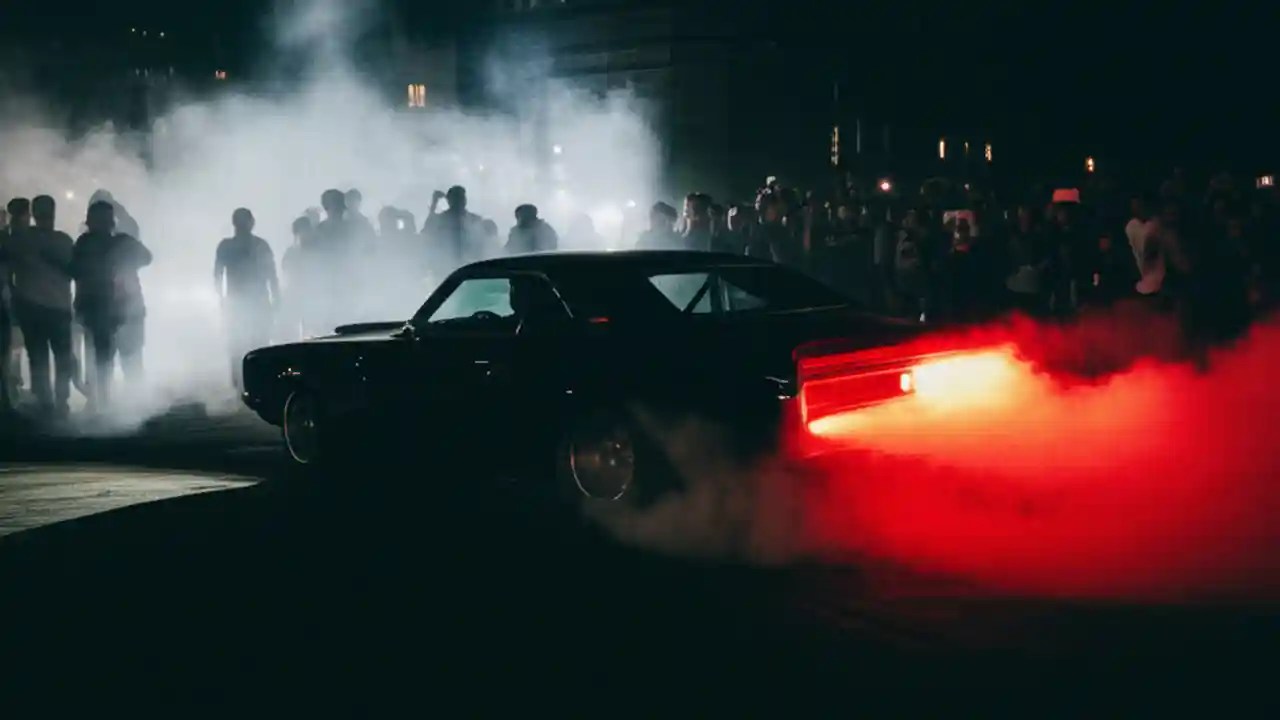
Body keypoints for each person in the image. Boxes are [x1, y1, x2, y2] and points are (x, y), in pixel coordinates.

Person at [71, 201, 152, 410]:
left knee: (111, 359)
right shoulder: (90, 243)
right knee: (114, 359)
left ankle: (118, 404)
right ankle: (113, 404)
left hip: (113, 308)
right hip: (105, 308)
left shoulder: (89, 243)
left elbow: (146, 258)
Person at [7, 195, 75, 416]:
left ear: (33, 214)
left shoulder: (21, 239)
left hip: (32, 308)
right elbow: (75, 271)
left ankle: (45, 403)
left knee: (38, 358)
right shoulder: (64, 240)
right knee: (62, 357)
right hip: (60, 309)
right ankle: (61, 402)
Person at [215, 208, 280, 391]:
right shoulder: (260, 245)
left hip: (244, 301)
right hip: (250, 301)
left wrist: (221, 299)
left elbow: (217, 276)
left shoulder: (228, 246)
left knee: (242, 344)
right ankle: (256, 383)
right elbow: (272, 275)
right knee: (254, 344)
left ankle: (241, 384)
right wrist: (276, 297)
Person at [423, 185, 485, 274]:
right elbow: (427, 231)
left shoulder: (474, 220)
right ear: (449, 201)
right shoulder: (442, 219)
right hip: (446, 268)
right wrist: (434, 204)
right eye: (457, 198)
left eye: (462, 197)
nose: (460, 201)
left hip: (470, 267)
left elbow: (483, 244)